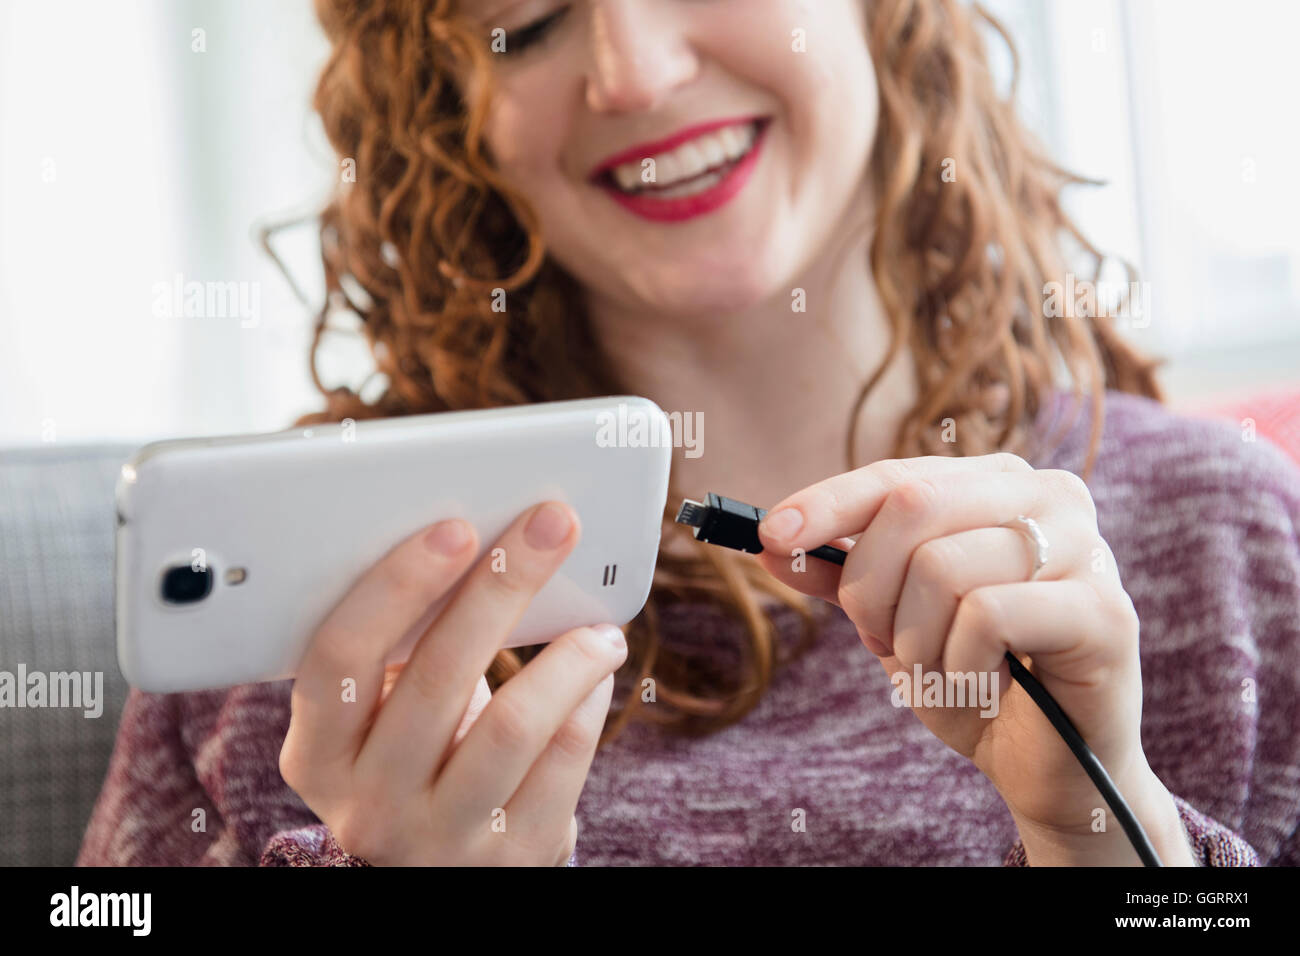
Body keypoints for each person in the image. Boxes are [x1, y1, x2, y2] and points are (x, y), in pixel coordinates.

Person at [79, 0, 1299, 866]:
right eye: (537, 20)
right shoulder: (284, 647)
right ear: (444, 111)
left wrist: (1111, 833)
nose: (636, 70)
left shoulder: (1225, 533)